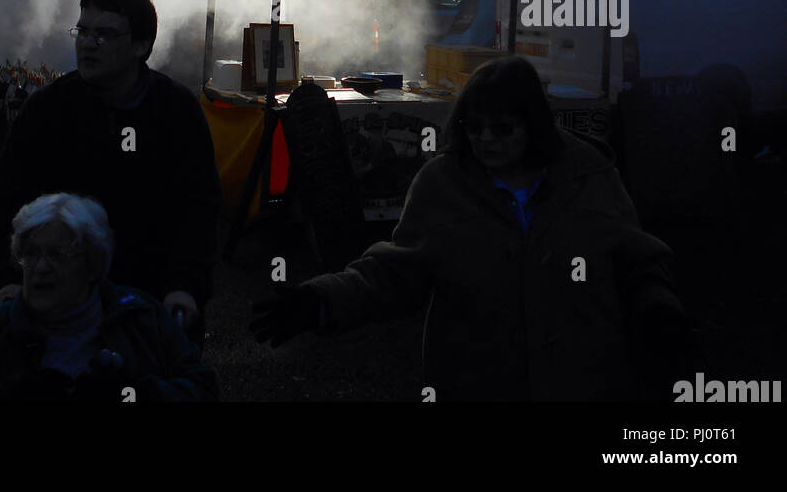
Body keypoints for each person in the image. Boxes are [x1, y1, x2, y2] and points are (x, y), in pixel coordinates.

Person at [251, 55, 699, 401]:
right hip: (474, 386)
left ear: (535, 126)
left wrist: (658, 309)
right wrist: (320, 301)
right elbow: (394, 273)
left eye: (502, 128)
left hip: (586, 384)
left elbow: (638, 257)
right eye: (474, 127)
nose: (485, 139)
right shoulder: (442, 184)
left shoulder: (591, 176)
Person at [0, 0, 221, 337]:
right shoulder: (48, 110)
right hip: (61, 300)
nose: (87, 44)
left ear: (141, 45)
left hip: (153, 296)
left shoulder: (175, 110)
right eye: (82, 31)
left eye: (105, 34)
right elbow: (7, 200)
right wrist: (6, 279)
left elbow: (200, 206)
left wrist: (187, 287)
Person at [0, 194, 217, 401]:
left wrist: (136, 391)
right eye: (31, 254)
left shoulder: (141, 317)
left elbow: (203, 389)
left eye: (57, 255)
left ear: (92, 265)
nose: (40, 267)